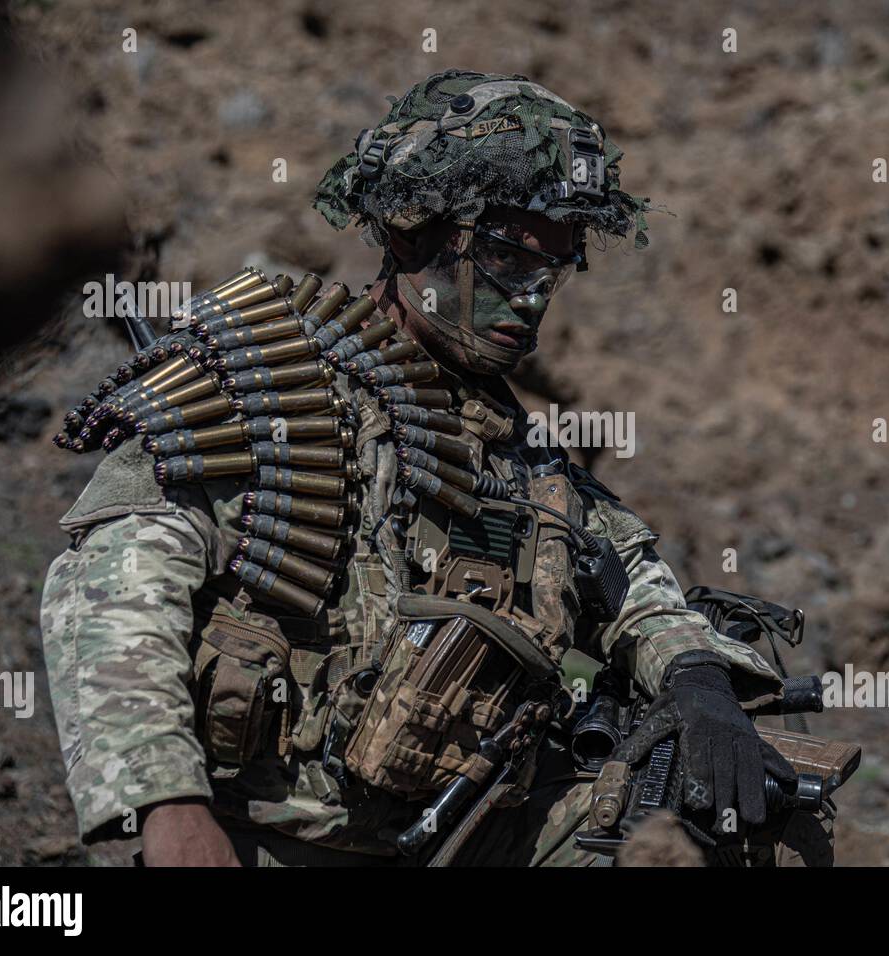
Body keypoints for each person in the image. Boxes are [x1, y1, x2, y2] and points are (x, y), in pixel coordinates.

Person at [41, 69, 829, 866]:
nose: (531, 300)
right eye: (508, 261)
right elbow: (109, 599)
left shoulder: (514, 452)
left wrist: (696, 677)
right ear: (414, 233)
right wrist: (168, 805)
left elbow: (634, 586)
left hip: (463, 832)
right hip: (266, 836)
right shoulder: (262, 390)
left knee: (740, 831)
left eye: (552, 272)